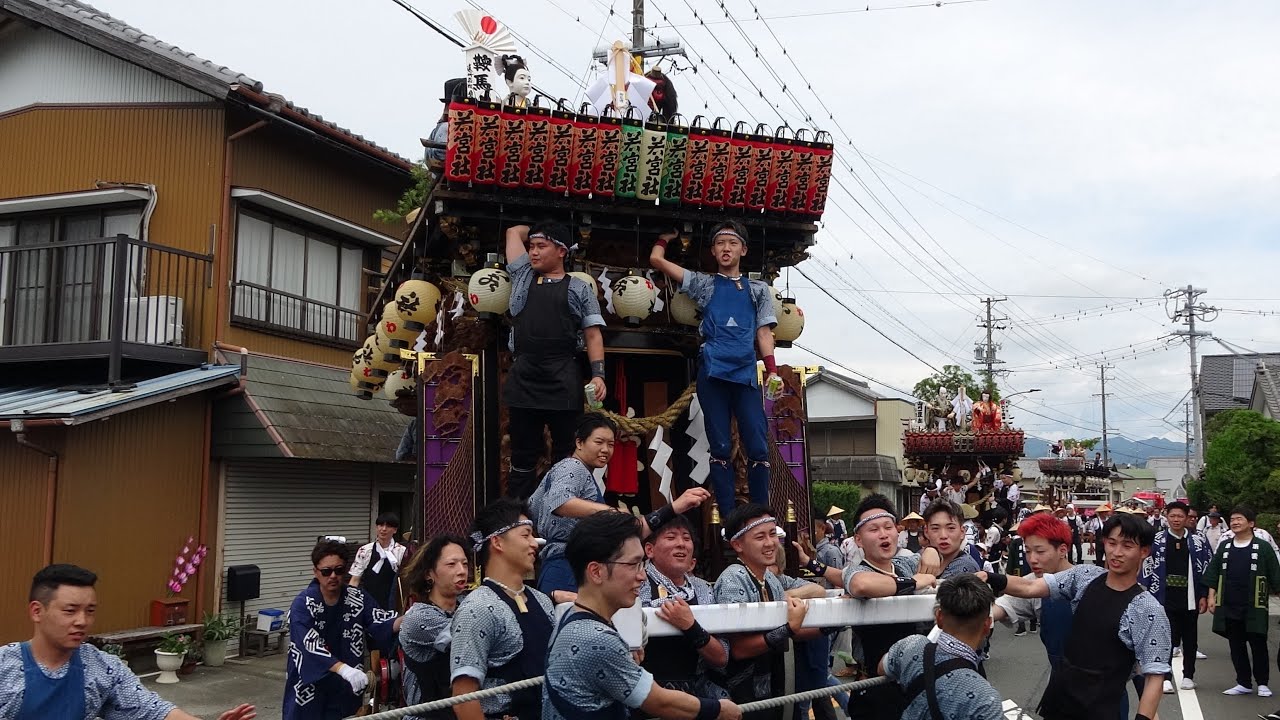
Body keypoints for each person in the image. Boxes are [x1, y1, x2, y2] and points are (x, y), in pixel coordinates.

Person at [542, 511, 744, 720]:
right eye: (633, 564)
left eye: (641, 565)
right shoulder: (596, 638)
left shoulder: (572, 619)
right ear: (596, 571)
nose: (641, 575)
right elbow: (659, 702)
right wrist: (718, 710)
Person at [979, 512, 1170, 720]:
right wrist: (988, 576)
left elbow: (1154, 676)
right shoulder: (1085, 576)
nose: (1117, 552)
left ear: (1144, 551)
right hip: (1061, 697)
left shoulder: (1149, 609)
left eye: (1127, 546)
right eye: (1112, 543)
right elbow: (1030, 586)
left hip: (1102, 707)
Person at [0, 564, 255, 720]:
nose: (82, 621)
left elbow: (152, 711)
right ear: (36, 611)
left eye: (90, 611)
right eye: (70, 610)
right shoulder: (5, 667)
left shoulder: (101, 666)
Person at [650, 222, 778, 511]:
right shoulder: (705, 284)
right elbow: (656, 261)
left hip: (745, 372)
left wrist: (771, 369)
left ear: (743, 250)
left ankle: (762, 513)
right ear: (712, 250)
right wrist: (664, 236)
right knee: (719, 446)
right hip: (713, 370)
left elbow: (764, 332)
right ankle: (729, 516)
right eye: (720, 243)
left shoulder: (758, 290)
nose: (726, 248)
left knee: (757, 446)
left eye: (732, 243)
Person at [531, 413, 711, 595]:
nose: (605, 450)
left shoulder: (573, 474)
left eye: (610, 444)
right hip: (566, 565)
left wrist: (674, 508)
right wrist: (611, 511)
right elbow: (561, 502)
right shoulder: (572, 466)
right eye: (599, 442)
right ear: (579, 443)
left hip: (574, 565)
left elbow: (632, 531)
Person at [503, 223, 607, 500]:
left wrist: (598, 374)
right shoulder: (523, 275)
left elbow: (593, 334)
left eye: (541, 246)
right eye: (532, 247)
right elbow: (514, 232)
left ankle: (563, 512)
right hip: (524, 375)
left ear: (561, 251)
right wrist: (541, 227)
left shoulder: (579, 288)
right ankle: (517, 518)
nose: (533, 253)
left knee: (566, 453)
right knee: (523, 454)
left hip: (562, 376)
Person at [826, 495, 937, 720]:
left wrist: (932, 550)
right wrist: (914, 582)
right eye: (873, 529)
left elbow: (934, 560)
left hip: (914, 681)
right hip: (876, 687)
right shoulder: (855, 571)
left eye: (888, 527)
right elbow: (862, 585)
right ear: (858, 539)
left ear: (898, 532)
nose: (883, 534)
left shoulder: (904, 564)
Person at [713, 503, 825, 720]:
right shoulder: (732, 579)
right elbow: (738, 649)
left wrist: (830, 626)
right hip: (740, 691)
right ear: (737, 544)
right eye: (760, 537)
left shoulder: (771, 579)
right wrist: (788, 629)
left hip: (771, 683)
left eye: (773, 534)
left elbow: (791, 629)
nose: (770, 543)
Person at [450, 499, 554, 720]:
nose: (534, 543)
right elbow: (464, 698)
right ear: (497, 542)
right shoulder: (476, 608)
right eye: (526, 535)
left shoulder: (542, 601)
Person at [285, 539, 402, 720]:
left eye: (338, 570)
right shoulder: (303, 604)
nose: (333, 576)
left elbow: (382, 622)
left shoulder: (357, 598)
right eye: (326, 571)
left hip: (347, 687)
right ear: (315, 571)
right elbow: (307, 644)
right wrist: (343, 669)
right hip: (310, 688)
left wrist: (409, 619)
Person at [880, 574, 1003, 720]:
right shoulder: (986, 699)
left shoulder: (910, 645)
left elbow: (882, 667)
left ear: (938, 617)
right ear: (988, 625)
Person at [638, 515, 730, 701]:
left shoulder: (703, 588)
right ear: (649, 550)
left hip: (699, 692)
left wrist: (690, 626)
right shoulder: (635, 584)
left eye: (686, 538)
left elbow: (721, 657)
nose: (681, 544)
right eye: (671, 537)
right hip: (648, 694)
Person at [1204, 506, 1280, 698]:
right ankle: (1243, 682)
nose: (1235, 522)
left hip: (1254, 604)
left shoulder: (1262, 547)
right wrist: (1212, 596)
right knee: (1236, 645)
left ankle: (1262, 683)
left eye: (1240, 519)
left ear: (1251, 524)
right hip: (1229, 603)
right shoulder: (1225, 546)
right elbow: (1213, 573)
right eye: (1233, 519)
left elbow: (1275, 576)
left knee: (1258, 643)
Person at [1139, 500, 1210, 693]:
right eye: (1173, 516)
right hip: (1165, 595)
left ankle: (1189, 676)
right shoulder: (1158, 539)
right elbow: (1147, 566)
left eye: (1180, 516)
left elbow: (1206, 567)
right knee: (1166, 638)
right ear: (1166, 517)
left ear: (1187, 518)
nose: (1176, 519)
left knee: (1190, 637)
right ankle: (1166, 677)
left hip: (1190, 595)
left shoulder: (1199, 540)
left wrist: (1204, 594)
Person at [398, 535, 470, 720]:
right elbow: (469, 638)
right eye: (451, 564)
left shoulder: (466, 605)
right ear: (429, 573)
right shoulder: (420, 617)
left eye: (465, 564)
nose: (462, 571)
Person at [990, 513, 1072, 669]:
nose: (1032, 559)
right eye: (1028, 551)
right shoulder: (1031, 581)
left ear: (1062, 550)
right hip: (1059, 679)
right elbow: (1000, 608)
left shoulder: (1089, 580)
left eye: (1040, 552)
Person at [350, 511, 408, 610]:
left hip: (393, 603)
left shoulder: (402, 551)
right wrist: (350, 602)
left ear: (395, 530)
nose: (383, 529)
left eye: (388, 526)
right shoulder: (365, 551)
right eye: (380, 525)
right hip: (368, 601)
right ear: (376, 527)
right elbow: (355, 580)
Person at [918, 499, 981, 580]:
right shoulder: (919, 557)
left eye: (951, 528)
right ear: (926, 532)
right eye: (935, 528)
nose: (943, 536)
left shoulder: (966, 566)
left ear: (962, 532)